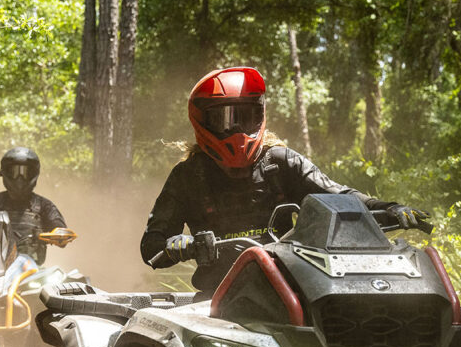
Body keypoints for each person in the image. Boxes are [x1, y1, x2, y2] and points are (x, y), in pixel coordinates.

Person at [141, 66, 427, 291]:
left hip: (291, 289)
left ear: (261, 116)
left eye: (247, 116)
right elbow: (151, 246)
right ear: (202, 121)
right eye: (227, 119)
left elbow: (339, 196)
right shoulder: (189, 176)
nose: (238, 129)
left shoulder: (280, 162)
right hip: (217, 298)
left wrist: (389, 208)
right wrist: (178, 245)